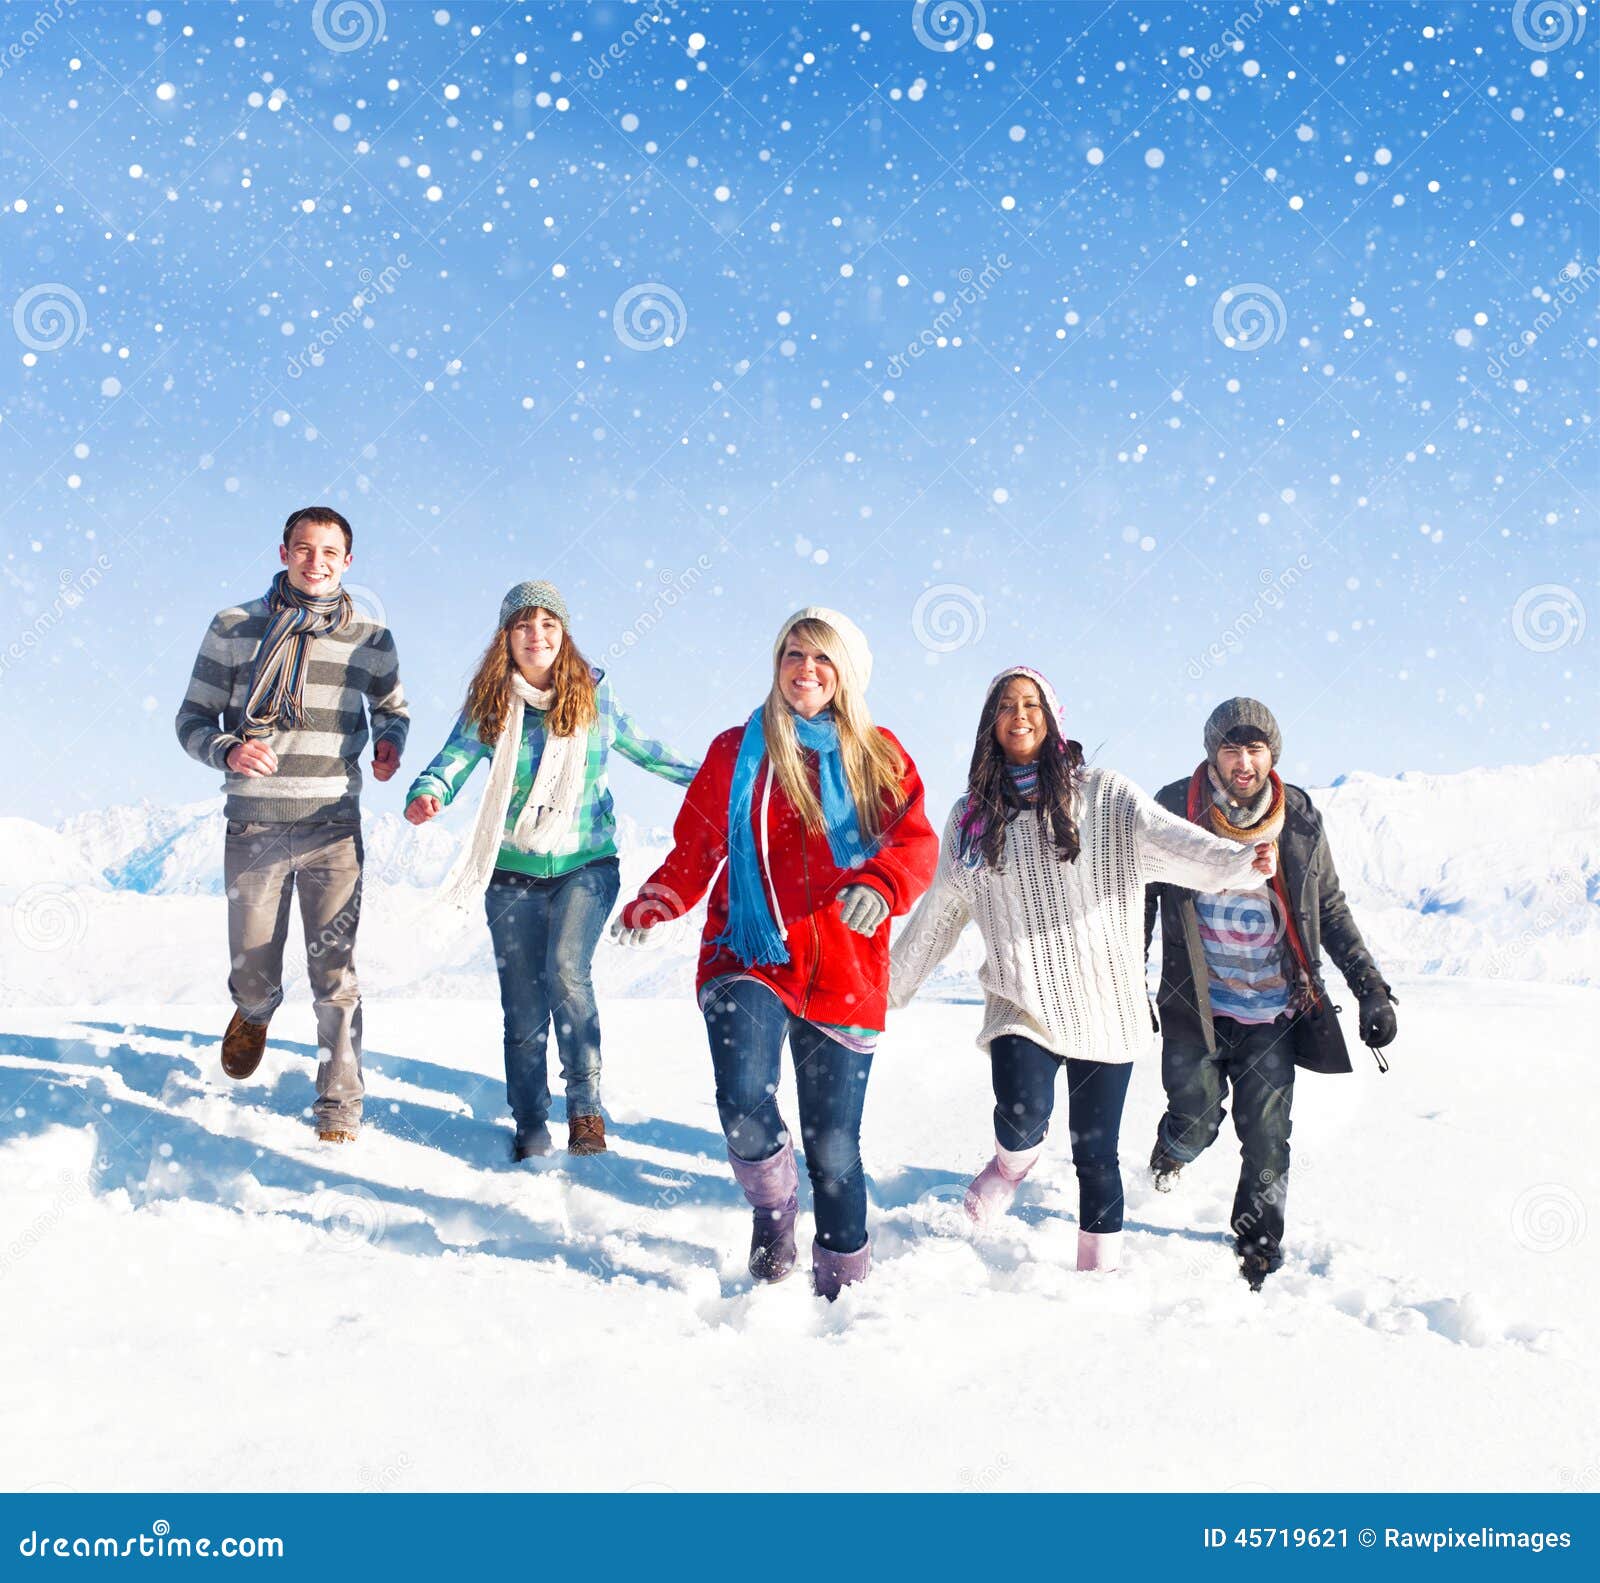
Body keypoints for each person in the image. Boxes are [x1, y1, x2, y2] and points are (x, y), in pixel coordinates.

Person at [890, 667, 1277, 1273]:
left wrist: (1239, 860)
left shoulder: (1105, 796)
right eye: (1007, 706)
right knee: (1021, 1113)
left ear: (1053, 718)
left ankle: (1099, 1277)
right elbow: (943, 907)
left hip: (1106, 1003)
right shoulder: (973, 817)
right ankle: (1010, 1165)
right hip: (1020, 999)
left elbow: (1174, 843)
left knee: (1096, 1154)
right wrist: (892, 983)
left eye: (1032, 705)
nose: (1020, 716)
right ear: (990, 722)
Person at [611, 608, 938, 1299]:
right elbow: (698, 845)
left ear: (844, 673)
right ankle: (773, 1205)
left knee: (835, 1150)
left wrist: (881, 884)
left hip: (846, 964)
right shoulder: (737, 749)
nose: (805, 669)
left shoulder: (878, 754)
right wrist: (659, 898)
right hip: (748, 949)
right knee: (742, 1098)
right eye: (793, 653)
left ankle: (842, 1287)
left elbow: (915, 844)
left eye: (822, 658)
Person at [405, 581, 698, 1160]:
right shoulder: (491, 706)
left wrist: (719, 777)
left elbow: (648, 751)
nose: (536, 635)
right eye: (523, 626)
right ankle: (530, 1117)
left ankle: (585, 1111)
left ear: (563, 634)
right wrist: (428, 792)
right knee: (521, 1002)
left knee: (566, 968)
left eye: (548, 625)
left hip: (585, 864)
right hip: (510, 871)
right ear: (506, 639)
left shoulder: (594, 697)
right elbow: (453, 760)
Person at [1144, 697, 1397, 1289]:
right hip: (1195, 1005)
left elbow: (1329, 910)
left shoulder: (1300, 818)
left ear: (1271, 754)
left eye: (1254, 749)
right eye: (1231, 748)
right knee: (1197, 1118)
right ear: (1212, 752)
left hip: (1273, 1010)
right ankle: (1174, 1148)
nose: (1243, 761)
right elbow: (1139, 899)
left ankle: (1258, 1244)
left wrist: (1371, 991)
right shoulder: (1173, 811)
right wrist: (1127, 977)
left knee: (1267, 1136)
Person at [174, 506, 408, 1142]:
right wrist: (228, 749)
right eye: (304, 549)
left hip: (335, 827)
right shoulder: (234, 626)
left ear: (347, 562)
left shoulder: (370, 636)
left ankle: (339, 1102)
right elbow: (192, 720)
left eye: (329, 552)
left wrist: (390, 742)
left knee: (336, 975)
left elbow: (392, 708)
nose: (316, 562)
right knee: (253, 964)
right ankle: (253, 1010)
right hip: (255, 827)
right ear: (283, 552)